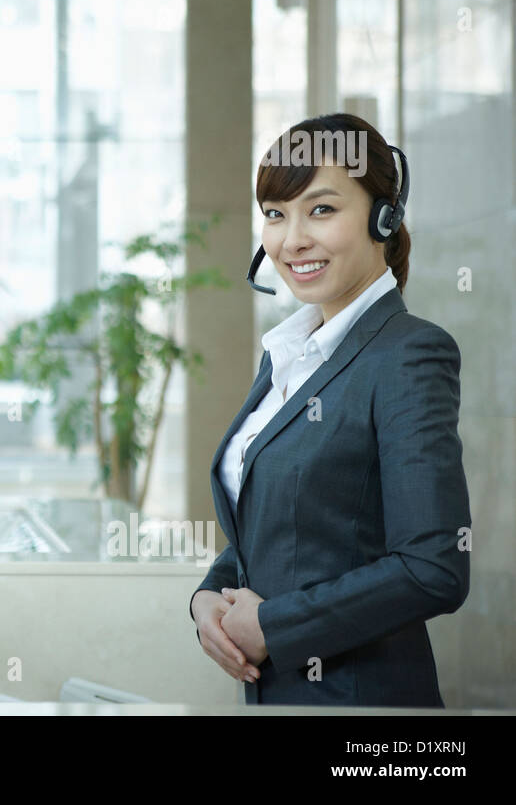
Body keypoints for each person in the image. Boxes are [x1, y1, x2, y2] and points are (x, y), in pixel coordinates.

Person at [188, 113, 470, 706]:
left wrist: (276, 626)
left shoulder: (407, 354)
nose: (292, 240)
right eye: (274, 213)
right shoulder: (290, 354)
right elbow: (289, 524)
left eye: (321, 210)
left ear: (382, 216)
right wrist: (209, 597)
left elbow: (434, 567)